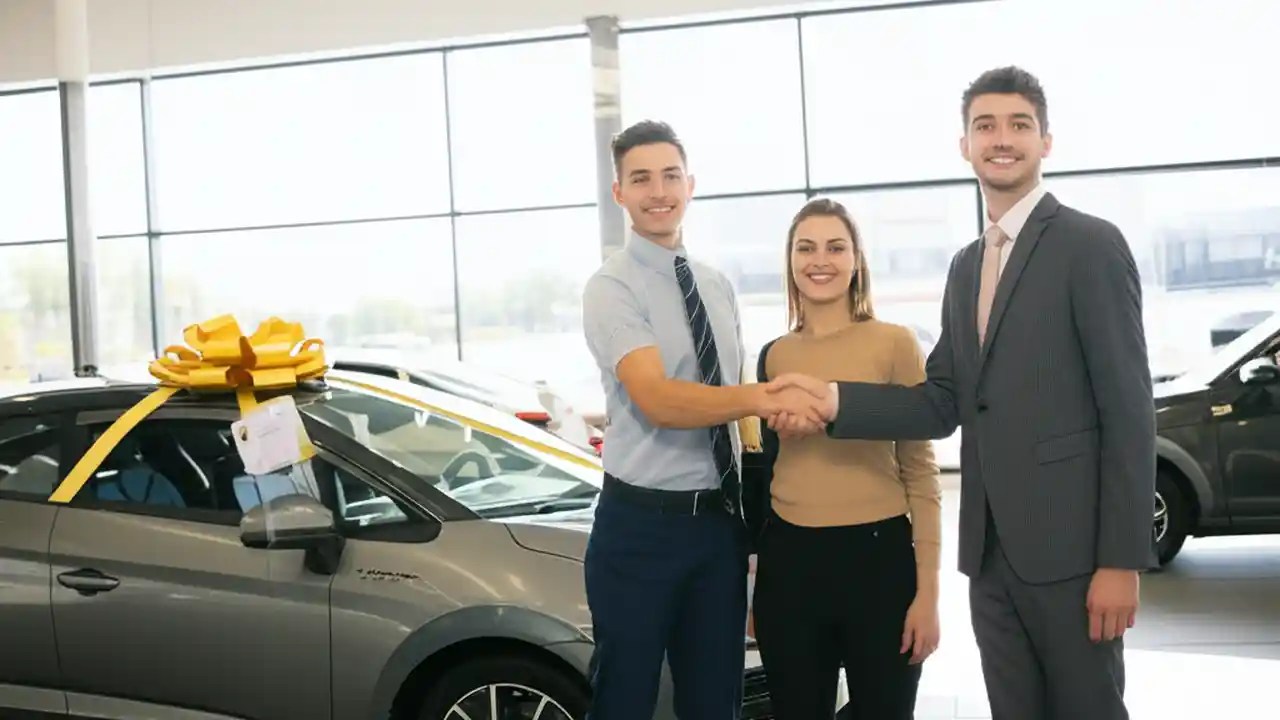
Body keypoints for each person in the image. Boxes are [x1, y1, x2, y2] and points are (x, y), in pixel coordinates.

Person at [765, 66, 1157, 720]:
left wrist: (1121, 561)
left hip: (1072, 558)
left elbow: (1128, 411)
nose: (1001, 139)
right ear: (965, 145)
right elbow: (941, 401)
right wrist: (837, 402)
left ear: (1046, 142)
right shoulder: (967, 266)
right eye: (985, 126)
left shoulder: (1090, 245)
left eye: (1018, 125)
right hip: (991, 559)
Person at [580, 119, 827, 720]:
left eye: (669, 176)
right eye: (640, 179)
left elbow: (734, 414)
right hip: (639, 529)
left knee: (717, 702)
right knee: (624, 701)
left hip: (716, 529)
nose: (658, 190)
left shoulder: (716, 286)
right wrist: (763, 398)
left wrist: (755, 507)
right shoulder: (611, 288)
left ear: (690, 185)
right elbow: (659, 400)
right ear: (619, 193)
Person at [748, 198, 942, 720]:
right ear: (790, 261)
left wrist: (928, 596)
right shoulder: (774, 356)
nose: (820, 260)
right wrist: (757, 578)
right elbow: (765, 473)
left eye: (836, 247)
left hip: (879, 563)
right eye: (805, 248)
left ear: (856, 260)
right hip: (790, 565)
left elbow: (921, 474)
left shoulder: (895, 344)